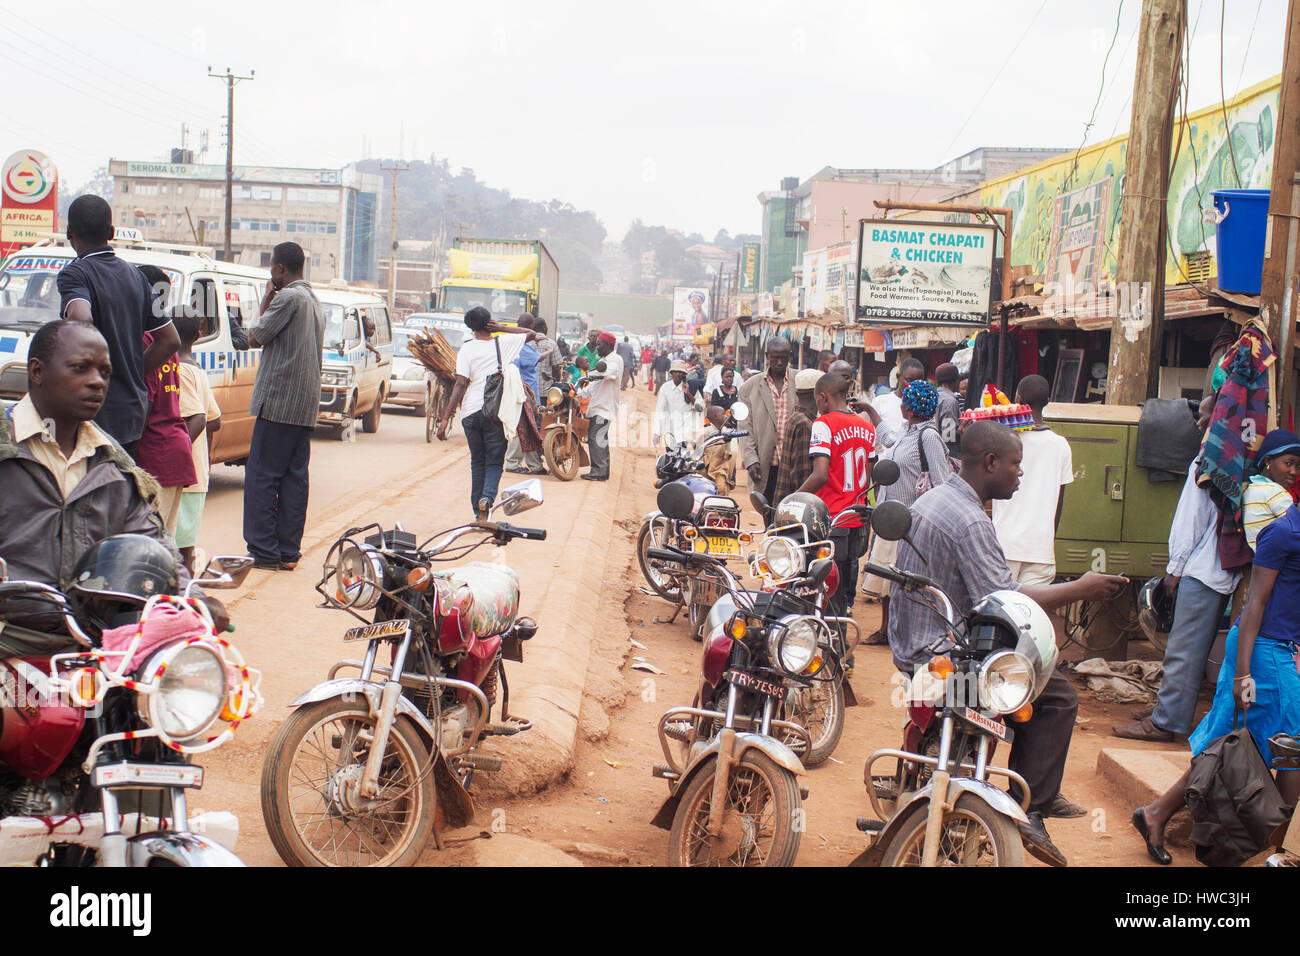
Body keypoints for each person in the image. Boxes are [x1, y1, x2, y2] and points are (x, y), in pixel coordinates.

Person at [889, 420, 1128, 864]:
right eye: (1016, 465)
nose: (1021, 474)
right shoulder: (969, 521)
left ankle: (1031, 791)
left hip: (915, 643)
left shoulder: (939, 499)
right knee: (1056, 697)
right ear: (991, 463)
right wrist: (1083, 587)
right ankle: (1032, 807)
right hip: (945, 655)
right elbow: (1007, 599)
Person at [0, 320, 225, 658]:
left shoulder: (116, 464)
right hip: (9, 643)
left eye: (104, 373)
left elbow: (154, 544)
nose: (96, 382)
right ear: (37, 372)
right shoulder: (6, 448)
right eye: (80, 368)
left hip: (96, 648)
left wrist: (195, 598)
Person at [1132, 501, 1300, 864]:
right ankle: (1283, 851)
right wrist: (1242, 673)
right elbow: (1254, 603)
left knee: (1228, 745)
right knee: (1289, 747)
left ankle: (1156, 813)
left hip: (1281, 647)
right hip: (1262, 649)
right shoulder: (1283, 533)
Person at [1113, 396, 1243, 742]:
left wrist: (1175, 569)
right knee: (1191, 649)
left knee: (1184, 649)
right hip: (1219, 569)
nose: (1199, 425)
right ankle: (1167, 708)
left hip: (1203, 570)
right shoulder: (1234, 460)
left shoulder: (1207, 462)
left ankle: (1167, 721)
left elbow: (1191, 522)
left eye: (1203, 418)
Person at [57, 195, 180, 454]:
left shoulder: (75, 274)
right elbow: (170, 340)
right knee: (119, 489)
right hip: (133, 412)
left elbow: (81, 320)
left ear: (69, 231)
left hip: (94, 413)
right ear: (111, 232)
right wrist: (133, 371)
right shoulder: (139, 278)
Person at [243, 241, 326, 572]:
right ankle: (289, 551)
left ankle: (263, 550)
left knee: (263, 476)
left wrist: (266, 297)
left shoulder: (289, 297)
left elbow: (255, 336)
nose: (271, 273)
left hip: (278, 402)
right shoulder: (314, 300)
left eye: (272, 268)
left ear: (280, 269)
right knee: (294, 478)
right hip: (304, 406)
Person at [859, 379, 953, 645]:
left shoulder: (929, 436)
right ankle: (887, 630)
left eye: (904, 401)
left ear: (910, 408)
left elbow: (941, 481)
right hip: (894, 520)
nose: (900, 405)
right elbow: (889, 439)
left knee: (905, 582)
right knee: (890, 579)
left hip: (913, 522)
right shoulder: (909, 432)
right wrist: (871, 411)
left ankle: (907, 634)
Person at [437, 307, 535, 514]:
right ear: (489, 322)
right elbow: (532, 334)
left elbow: (461, 383)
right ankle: (487, 499)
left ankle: (477, 512)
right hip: (494, 412)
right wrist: (500, 328)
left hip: (471, 413)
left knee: (477, 462)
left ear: (470, 327)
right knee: (494, 462)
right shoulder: (503, 343)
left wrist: (446, 418)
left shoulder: (467, 348)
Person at [798, 371, 876, 615]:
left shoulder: (823, 424)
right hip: (858, 518)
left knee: (825, 585)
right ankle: (841, 637)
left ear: (823, 397)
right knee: (844, 585)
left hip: (831, 516)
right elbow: (870, 474)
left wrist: (793, 498)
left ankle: (827, 638)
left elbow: (820, 475)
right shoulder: (867, 426)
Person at [991, 374, 1073, 586]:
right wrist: (1048, 538)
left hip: (1004, 545)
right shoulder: (1061, 445)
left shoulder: (1005, 440)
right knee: (1029, 615)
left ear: (1017, 399)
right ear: (1047, 401)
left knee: (998, 611)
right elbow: (1060, 503)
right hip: (1041, 549)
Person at [133, 267, 196, 535]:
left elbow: (143, 406)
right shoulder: (164, 340)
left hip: (157, 457)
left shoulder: (147, 342)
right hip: (173, 452)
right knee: (165, 542)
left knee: (151, 546)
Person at [173, 311, 221, 573]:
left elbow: (201, 419)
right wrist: (209, 454)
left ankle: (182, 603)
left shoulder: (180, 372)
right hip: (197, 471)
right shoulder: (198, 371)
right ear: (199, 335)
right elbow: (216, 420)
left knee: (178, 551)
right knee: (186, 547)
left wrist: (176, 448)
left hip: (183, 475)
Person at [738, 336, 797, 508]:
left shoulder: (800, 382)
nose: (779, 361)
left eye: (783, 357)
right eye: (775, 357)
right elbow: (744, 427)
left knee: (792, 513)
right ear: (767, 356)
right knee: (768, 510)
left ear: (790, 356)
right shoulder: (750, 387)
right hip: (765, 464)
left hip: (793, 464)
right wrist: (750, 460)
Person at [1242, 429, 1300, 550]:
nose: (1294, 472)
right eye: (1288, 463)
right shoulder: (1273, 491)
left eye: (1298, 466)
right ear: (1268, 461)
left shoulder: (1251, 489)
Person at [771, 368, 821, 505]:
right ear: (818, 395)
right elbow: (802, 475)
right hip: (796, 505)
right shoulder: (805, 424)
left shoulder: (796, 417)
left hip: (787, 500)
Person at [578, 331, 622, 481]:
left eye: (599, 344)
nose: (597, 348)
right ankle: (602, 470)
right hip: (598, 406)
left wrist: (593, 375)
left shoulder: (615, 360)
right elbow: (594, 385)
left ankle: (599, 472)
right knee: (599, 438)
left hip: (605, 407)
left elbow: (609, 374)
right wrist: (579, 392)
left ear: (608, 345)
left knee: (596, 437)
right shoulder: (603, 361)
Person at [505, 314, 545, 475]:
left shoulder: (513, 341)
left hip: (521, 391)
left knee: (528, 428)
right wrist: (548, 350)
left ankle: (534, 464)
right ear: (530, 325)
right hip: (524, 392)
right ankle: (514, 463)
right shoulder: (523, 345)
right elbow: (535, 359)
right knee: (522, 427)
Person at [868, 357, 924, 437]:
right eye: (909, 380)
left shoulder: (923, 407)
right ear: (898, 376)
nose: (913, 385)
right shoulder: (880, 402)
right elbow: (870, 433)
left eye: (918, 382)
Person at [653, 360, 704, 446]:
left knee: (682, 454)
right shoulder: (665, 388)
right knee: (671, 455)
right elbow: (660, 410)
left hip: (686, 429)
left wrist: (688, 393)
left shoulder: (691, 387)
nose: (677, 374)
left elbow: (701, 406)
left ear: (684, 374)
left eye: (680, 372)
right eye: (675, 372)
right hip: (669, 429)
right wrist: (656, 432)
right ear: (671, 373)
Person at [699, 405, 736, 494]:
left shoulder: (726, 432)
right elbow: (697, 446)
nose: (726, 416)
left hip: (719, 468)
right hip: (704, 467)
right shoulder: (705, 431)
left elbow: (728, 453)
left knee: (721, 488)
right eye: (723, 414)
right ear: (715, 417)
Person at [935, 362, 962, 456]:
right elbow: (949, 435)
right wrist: (963, 430)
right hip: (947, 455)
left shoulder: (934, 396)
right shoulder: (949, 401)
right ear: (955, 381)